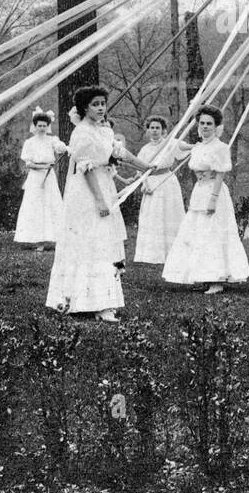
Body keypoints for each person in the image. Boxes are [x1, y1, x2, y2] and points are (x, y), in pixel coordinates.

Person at [47, 86, 151, 320]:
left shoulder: (103, 130)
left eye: (103, 103)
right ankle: (84, 301)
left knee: (104, 242)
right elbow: (87, 169)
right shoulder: (82, 133)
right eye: (95, 104)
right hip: (87, 193)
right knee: (90, 240)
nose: (101, 108)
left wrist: (146, 167)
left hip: (104, 185)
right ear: (84, 107)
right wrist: (100, 201)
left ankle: (104, 301)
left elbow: (119, 153)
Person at [162, 104, 249, 293]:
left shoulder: (221, 147)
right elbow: (177, 146)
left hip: (214, 192)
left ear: (216, 126)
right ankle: (203, 276)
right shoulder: (199, 146)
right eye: (201, 123)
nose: (204, 127)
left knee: (213, 233)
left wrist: (213, 198)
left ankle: (217, 279)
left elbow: (220, 174)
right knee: (198, 233)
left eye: (209, 123)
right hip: (199, 191)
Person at [133, 114, 188, 265]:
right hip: (151, 183)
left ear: (163, 130)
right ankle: (154, 255)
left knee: (170, 215)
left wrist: (198, 145)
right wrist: (145, 184)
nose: (155, 131)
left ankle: (174, 252)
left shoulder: (170, 144)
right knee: (154, 217)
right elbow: (139, 169)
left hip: (167, 181)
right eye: (152, 128)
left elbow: (183, 147)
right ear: (148, 130)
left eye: (158, 128)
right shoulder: (145, 149)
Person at [14, 108, 69, 250]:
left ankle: (52, 239)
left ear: (48, 126)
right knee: (36, 206)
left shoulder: (52, 140)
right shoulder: (29, 142)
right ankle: (36, 240)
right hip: (36, 178)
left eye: (45, 126)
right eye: (40, 125)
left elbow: (60, 149)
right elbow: (29, 164)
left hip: (49, 177)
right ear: (35, 126)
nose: (42, 128)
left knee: (51, 204)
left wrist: (61, 147)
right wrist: (44, 166)